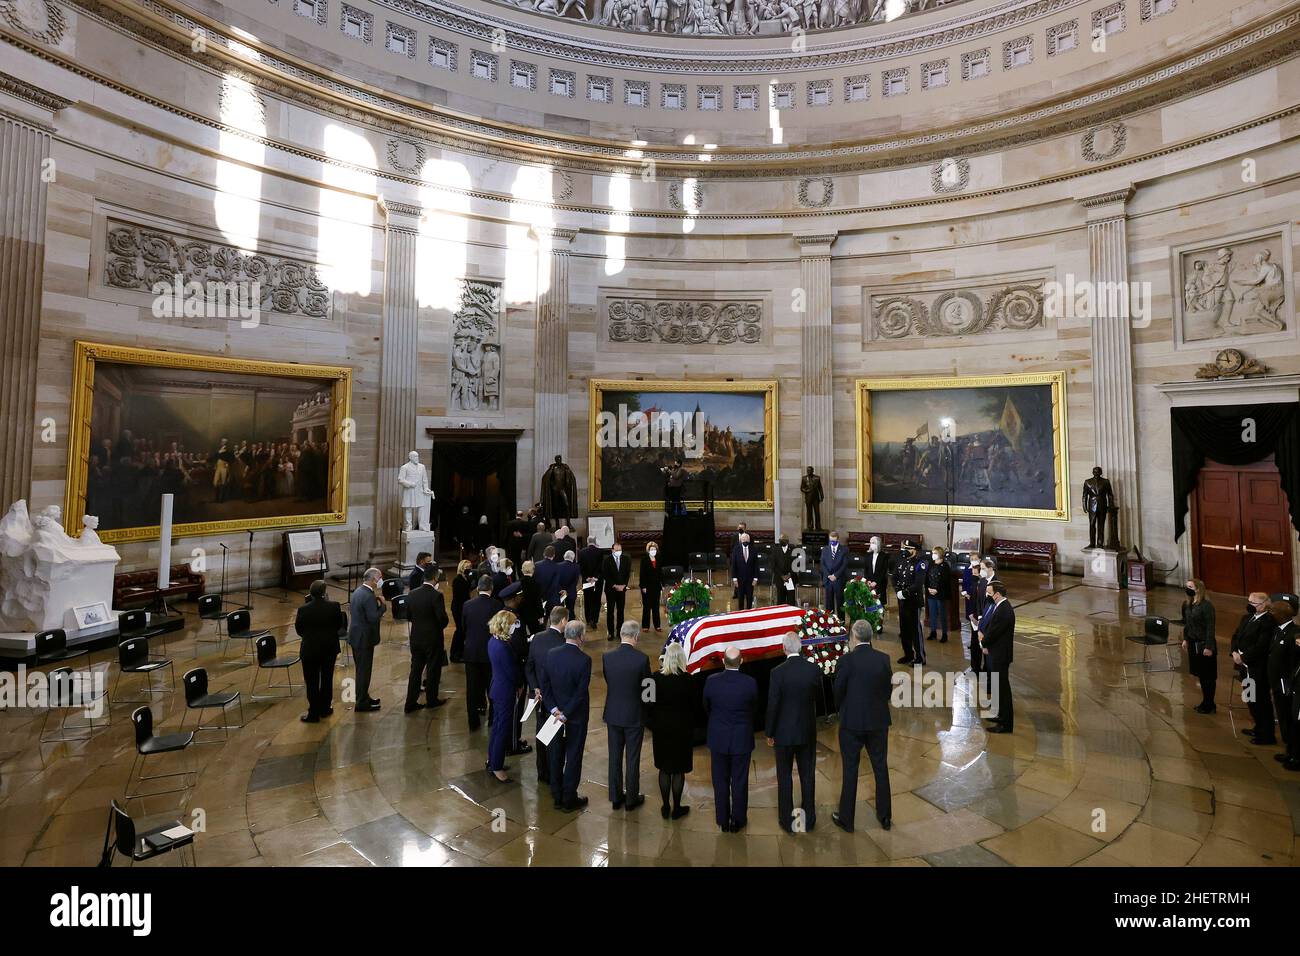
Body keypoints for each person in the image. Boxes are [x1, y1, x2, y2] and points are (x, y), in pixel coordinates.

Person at [832, 619, 893, 832]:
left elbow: (837, 693)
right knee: (880, 767)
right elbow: (887, 692)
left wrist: (846, 709)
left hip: (852, 723)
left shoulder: (846, 661)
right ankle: (885, 816)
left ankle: (846, 819)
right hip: (878, 722)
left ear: (854, 637)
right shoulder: (883, 659)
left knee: (850, 770)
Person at [766, 631, 820, 833]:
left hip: (783, 733)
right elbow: (816, 698)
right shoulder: (813, 670)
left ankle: (786, 820)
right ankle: (810, 819)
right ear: (800, 647)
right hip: (807, 731)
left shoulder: (777, 673)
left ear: (784, 649)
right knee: (808, 776)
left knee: (785, 776)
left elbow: (773, 705)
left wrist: (770, 732)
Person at [703, 646, 758, 833]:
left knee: (720, 781)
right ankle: (739, 820)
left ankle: (723, 820)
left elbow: (706, 707)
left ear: (724, 662)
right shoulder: (750, 683)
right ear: (741, 661)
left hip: (718, 737)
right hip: (741, 739)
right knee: (740, 781)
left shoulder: (711, 681)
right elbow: (753, 708)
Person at [541, 620, 592, 812]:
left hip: (553, 715)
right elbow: (580, 693)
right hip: (575, 717)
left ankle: (556, 794)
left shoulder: (551, 654)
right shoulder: (584, 660)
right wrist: (566, 714)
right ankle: (569, 797)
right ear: (580, 637)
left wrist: (554, 709)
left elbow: (545, 684)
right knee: (573, 756)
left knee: (555, 755)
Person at [603, 620, 651, 811]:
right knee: (632, 758)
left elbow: (609, 681)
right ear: (636, 636)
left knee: (614, 757)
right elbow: (648, 690)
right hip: (634, 715)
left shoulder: (607, 657)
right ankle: (631, 798)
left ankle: (615, 797)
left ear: (622, 634)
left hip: (613, 713)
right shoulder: (642, 659)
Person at [650, 642, 694, 820]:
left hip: (661, 730)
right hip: (682, 730)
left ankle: (665, 806)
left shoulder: (653, 678)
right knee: (678, 770)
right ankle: (677, 807)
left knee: (664, 768)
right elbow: (695, 706)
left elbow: (647, 704)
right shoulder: (689, 680)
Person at [526, 605, 568, 783]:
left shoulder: (536, 638)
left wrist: (535, 687)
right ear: (564, 621)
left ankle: (542, 772)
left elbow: (529, 667)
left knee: (541, 735)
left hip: (539, 697)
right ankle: (554, 776)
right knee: (556, 741)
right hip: (556, 699)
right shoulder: (563, 644)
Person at [295, 579, 343, 723]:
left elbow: (299, 629)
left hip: (310, 650)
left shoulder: (303, 609)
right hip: (329, 648)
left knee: (312, 681)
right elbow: (338, 625)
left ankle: (313, 713)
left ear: (310, 593)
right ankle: (325, 708)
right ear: (324, 592)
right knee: (327, 679)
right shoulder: (334, 606)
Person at [1232, 592, 1276, 745]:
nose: (1250, 605)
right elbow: (1236, 636)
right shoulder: (1247, 618)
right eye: (1249, 601)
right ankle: (1258, 727)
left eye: (1254, 603)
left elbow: (1261, 646)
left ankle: (1267, 734)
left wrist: (1243, 657)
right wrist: (1234, 652)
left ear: (1264, 605)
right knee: (1250, 699)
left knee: (1261, 701)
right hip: (1245, 667)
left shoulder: (1268, 622)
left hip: (1257, 669)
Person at [404, 566, 449, 713]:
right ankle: (432, 700)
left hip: (416, 637)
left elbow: (409, 616)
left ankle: (410, 702)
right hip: (433, 639)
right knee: (433, 669)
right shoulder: (436, 595)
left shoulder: (412, 594)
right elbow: (442, 619)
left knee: (415, 671)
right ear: (435, 578)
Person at [461, 575, 503, 732]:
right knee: (491, 687)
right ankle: (493, 719)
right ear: (491, 589)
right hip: (490, 654)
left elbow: (463, 627)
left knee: (472, 689)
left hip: (471, 652)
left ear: (478, 588)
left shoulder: (467, 605)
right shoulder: (497, 605)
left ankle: (473, 722)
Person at [975, 580, 1015, 733]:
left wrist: (982, 642)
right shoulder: (1000, 606)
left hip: (1000, 655)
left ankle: (1006, 724)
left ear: (997, 594)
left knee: (1003, 689)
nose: (987, 595)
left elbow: (994, 632)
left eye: (989, 593)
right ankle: (1000, 715)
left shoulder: (1004, 610)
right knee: (999, 688)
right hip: (996, 653)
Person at [486, 610, 520, 783]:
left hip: (496, 688)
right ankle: (497, 766)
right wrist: (520, 684)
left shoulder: (493, 641)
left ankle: (492, 760)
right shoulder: (503, 647)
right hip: (505, 691)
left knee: (497, 727)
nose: (515, 625)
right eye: (514, 623)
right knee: (502, 729)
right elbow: (512, 672)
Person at [348, 569, 386, 712]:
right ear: (374, 579)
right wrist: (382, 606)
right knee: (364, 672)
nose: (381, 580)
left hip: (356, 636)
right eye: (380, 577)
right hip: (364, 639)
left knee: (361, 671)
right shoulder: (368, 595)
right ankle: (361, 702)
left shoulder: (358, 591)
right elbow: (373, 617)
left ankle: (363, 696)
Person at [1179, 578, 1217, 714]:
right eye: (1187, 586)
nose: (1187, 588)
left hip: (1204, 644)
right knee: (1201, 675)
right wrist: (1185, 639)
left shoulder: (1206, 606)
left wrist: (1209, 646)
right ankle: (1206, 701)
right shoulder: (1187, 604)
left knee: (1208, 676)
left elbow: (1210, 628)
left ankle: (1209, 703)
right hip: (1193, 643)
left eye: (1190, 586)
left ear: (1198, 589)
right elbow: (1187, 624)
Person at [1267, 595, 1298, 753]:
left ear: (1281, 615)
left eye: (1272, 612)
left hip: (1286, 683)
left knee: (1289, 716)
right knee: (1281, 713)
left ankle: (1293, 750)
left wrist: (1289, 683)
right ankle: (1288, 748)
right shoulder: (1277, 630)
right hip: (1276, 682)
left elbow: (1294, 661)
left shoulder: (1294, 634)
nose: (1270, 614)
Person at [894, 540, 926, 666]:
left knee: (915, 630)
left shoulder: (921, 563)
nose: (905, 550)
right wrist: (897, 591)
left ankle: (920, 657)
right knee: (904, 628)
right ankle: (908, 654)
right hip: (902, 600)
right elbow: (894, 576)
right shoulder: (902, 560)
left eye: (908, 548)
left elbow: (918, 584)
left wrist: (905, 592)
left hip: (913, 600)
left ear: (914, 550)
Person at [602, 541, 631, 639]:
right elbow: (605, 575)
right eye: (617, 550)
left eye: (620, 550)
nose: (619, 551)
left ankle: (619, 632)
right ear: (612, 550)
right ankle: (610, 632)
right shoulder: (607, 560)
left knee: (620, 611)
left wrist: (624, 585)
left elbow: (627, 574)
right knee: (610, 611)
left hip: (622, 589)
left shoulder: (626, 559)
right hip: (611, 589)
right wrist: (614, 585)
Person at [449, 559, 473, 663]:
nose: (469, 569)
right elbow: (460, 596)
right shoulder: (458, 580)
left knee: (463, 631)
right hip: (458, 608)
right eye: (467, 568)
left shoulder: (466, 578)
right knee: (460, 630)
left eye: (470, 567)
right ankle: (454, 653)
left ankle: (460, 651)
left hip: (464, 607)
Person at [925, 546, 951, 643]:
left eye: (935, 553)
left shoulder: (945, 566)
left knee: (942, 615)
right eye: (932, 553)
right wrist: (928, 588)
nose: (933, 555)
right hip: (930, 593)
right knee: (932, 614)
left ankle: (944, 634)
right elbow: (926, 577)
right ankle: (933, 632)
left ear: (940, 554)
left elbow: (945, 581)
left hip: (940, 594)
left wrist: (937, 589)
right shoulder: (931, 564)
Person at [577, 536, 605, 628]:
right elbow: (601, 567)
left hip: (587, 581)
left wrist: (587, 578)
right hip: (597, 581)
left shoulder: (581, 552)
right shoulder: (600, 552)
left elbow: (581, 567)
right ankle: (594, 620)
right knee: (596, 600)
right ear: (595, 541)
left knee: (588, 600)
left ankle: (588, 619)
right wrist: (595, 577)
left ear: (588, 541)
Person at [820, 531, 847, 617]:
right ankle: (830, 622)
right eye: (831, 541)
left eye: (834, 541)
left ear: (838, 540)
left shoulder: (844, 549)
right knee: (829, 603)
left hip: (838, 579)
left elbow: (844, 565)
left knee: (840, 602)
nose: (832, 543)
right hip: (828, 580)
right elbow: (822, 563)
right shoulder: (825, 549)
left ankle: (841, 623)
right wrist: (828, 575)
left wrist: (835, 575)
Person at [730, 532, 759, 610]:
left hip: (750, 579)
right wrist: (734, 578)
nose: (745, 540)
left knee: (750, 597)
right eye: (743, 539)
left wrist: (755, 578)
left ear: (749, 540)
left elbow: (756, 565)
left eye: (746, 539)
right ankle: (741, 614)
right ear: (740, 540)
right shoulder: (736, 550)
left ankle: (749, 612)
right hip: (739, 579)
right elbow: (733, 565)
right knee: (740, 598)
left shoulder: (754, 550)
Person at [639, 541, 664, 631]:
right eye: (651, 549)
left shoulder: (659, 558)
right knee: (647, 607)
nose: (653, 551)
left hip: (656, 586)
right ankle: (645, 626)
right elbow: (642, 574)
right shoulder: (644, 559)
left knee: (656, 607)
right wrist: (643, 586)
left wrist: (662, 584)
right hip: (647, 586)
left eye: (654, 549)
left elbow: (661, 573)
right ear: (648, 550)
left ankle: (657, 625)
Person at [518, 560, 544, 632]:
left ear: (522, 570)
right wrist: (541, 615)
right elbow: (538, 601)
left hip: (521, 614)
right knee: (535, 633)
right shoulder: (536, 584)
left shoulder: (518, 583)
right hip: (533, 615)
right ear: (533, 570)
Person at [865, 535, 890, 610]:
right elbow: (866, 569)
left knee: (879, 605)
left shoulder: (884, 556)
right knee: (870, 604)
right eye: (870, 543)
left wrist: (876, 582)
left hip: (880, 582)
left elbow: (883, 571)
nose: (871, 545)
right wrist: (868, 580)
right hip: (869, 583)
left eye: (873, 543)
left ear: (878, 544)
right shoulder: (868, 555)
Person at [534, 545, 561, 611]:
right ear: (554, 555)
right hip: (552, 599)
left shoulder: (536, 565)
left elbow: (535, 581)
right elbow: (555, 584)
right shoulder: (556, 566)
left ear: (544, 554)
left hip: (539, 598)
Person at [558, 550, 581, 620]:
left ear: (564, 556)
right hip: (571, 592)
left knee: (560, 611)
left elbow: (557, 580)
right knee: (570, 610)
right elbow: (576, 581)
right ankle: (571, 627)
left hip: (560, 591)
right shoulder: (576, 567)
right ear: (573, 558)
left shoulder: (558, 565)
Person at [772, 533, 796, 599]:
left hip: (791, 578)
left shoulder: (793, 549)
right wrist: (781, 575)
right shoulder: (775, 550)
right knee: (780, 600)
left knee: (791, 599)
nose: (781, 541)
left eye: (783, 540)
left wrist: (789, 575)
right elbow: (773, 565)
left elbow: (796, 564)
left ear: (787, 541)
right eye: (780, 540)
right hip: (779, 578)